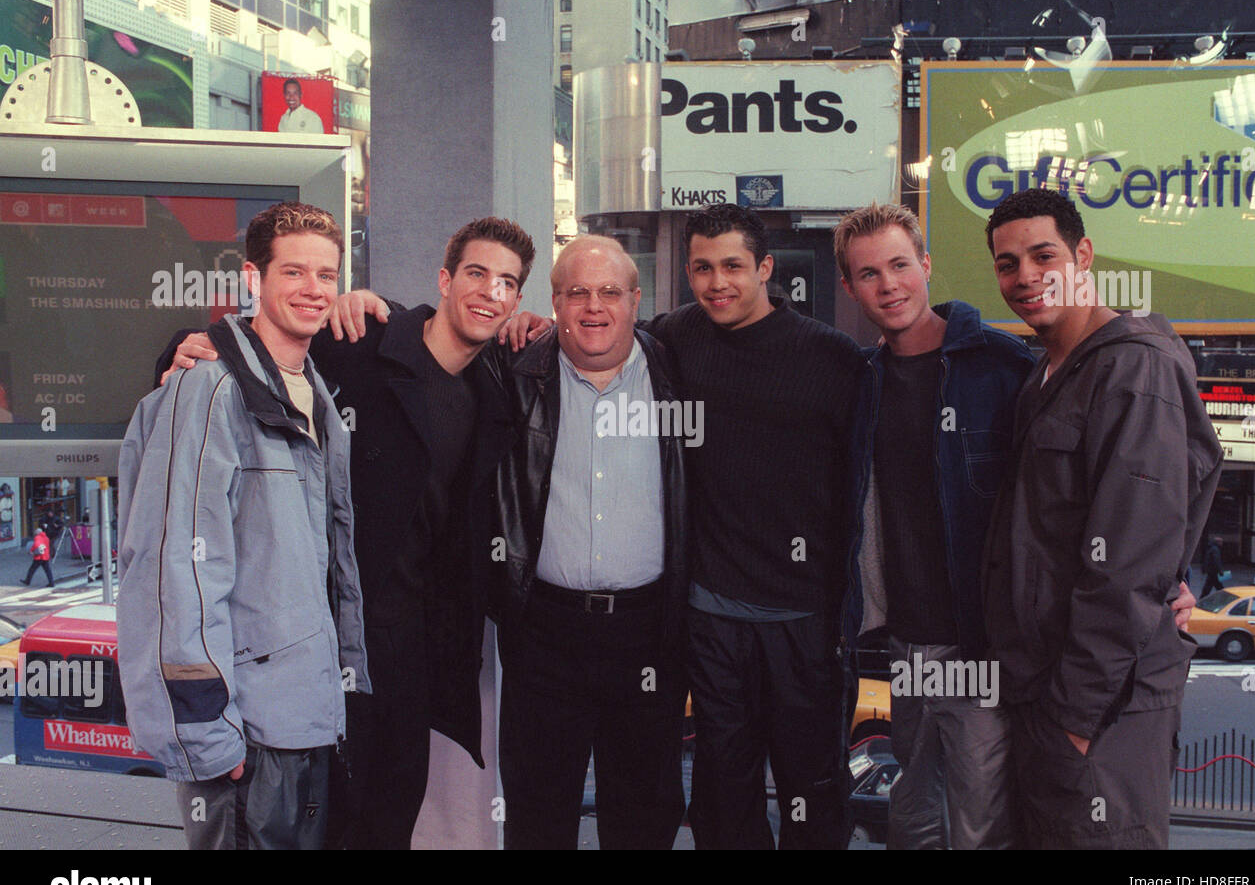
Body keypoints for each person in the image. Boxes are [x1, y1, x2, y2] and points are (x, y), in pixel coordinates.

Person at [161, 216, 536, 849]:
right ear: (445, 280)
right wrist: (182, 348)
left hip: (413, 646)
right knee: (320, 821)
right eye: (476, 274)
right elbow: (259, 343)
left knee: (392, 816)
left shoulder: (492, 383)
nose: (490, 293)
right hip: (326, 635)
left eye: (507, 283)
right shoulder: (361, 341)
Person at [503, 204, 863, 849]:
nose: (717, 282)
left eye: (732, 266)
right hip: (632, 624)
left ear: (766, 269)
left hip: (745, 623)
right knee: (694, 798)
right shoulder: (642, 350)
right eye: (702, 267)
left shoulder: (808, 358)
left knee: (790, 793)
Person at [117, 201, 370, 849]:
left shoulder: (314, 396)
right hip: (245, 735)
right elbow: (176, 569)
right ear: (253, 279)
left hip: (306, 723)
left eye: (326, 274)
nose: (313, 290)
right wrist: (207, 734)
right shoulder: (211, 391)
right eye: (294, 272)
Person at [981, 188, 1223, 850]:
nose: (1025, 277)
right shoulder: (1047, 372)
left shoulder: (1133, 367)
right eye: (1008, 264)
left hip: (1101, 708)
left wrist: (1076, 718)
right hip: (1047, 693)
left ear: (1083, 255)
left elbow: (1129, 559)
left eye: (1043, 255)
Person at [835, 204, 1035, 849]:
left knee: (979, 824)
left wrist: (1169, 576)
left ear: (926, 266)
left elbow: (1072, 490)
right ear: (850, 288)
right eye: (869, 274)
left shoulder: (1005, 368)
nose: (888, 284)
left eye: (899, 265)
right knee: (912, 815)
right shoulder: (860, 381)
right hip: (902, 645)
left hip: (977, 643)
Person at [493, 236, 689, 849]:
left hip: (648, 633)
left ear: (637, 299)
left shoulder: (679, 372)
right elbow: (429, 340)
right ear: (554, 302)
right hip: (544, 634)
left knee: (643, 818)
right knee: (537, 814)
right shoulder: (512, 369)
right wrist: (191, 346)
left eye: (610, 292)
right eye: (577, 292)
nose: (594, 306)